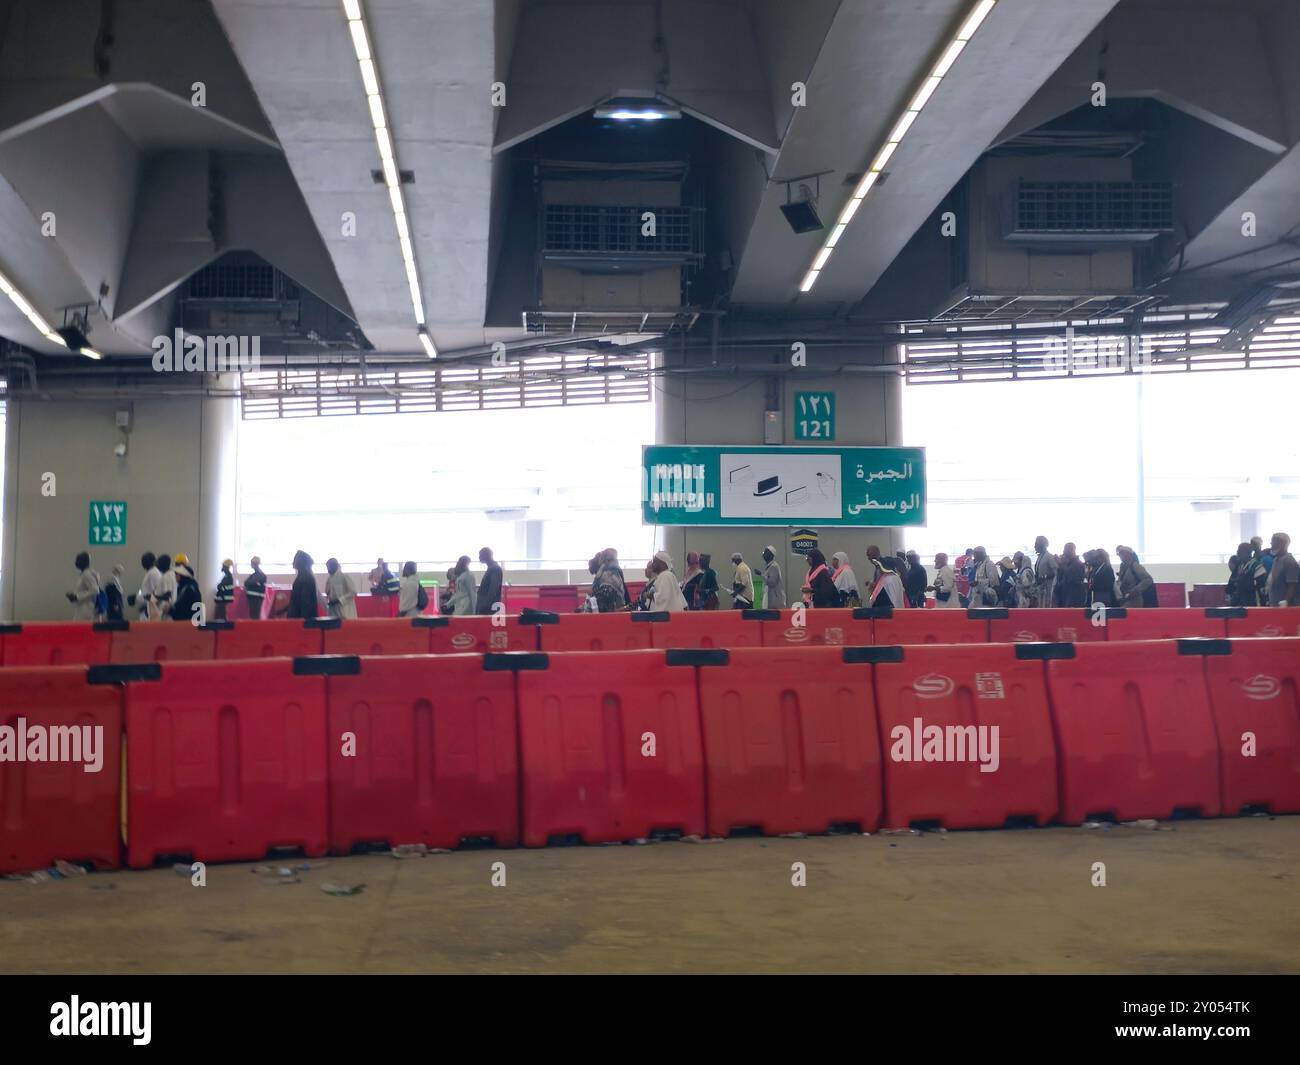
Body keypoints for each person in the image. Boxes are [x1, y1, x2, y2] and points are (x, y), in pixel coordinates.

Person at [1265, 532, 1299, 607]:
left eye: (1274, 542)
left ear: (1283, 544)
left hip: (1286, 608)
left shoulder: (1289, 561)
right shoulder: (1276, 560)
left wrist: (1285, 601)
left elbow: (1292, 585)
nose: (1271, 545)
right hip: (1275, 605)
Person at [67, 552, 102, 620]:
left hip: (86, 609)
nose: (76, 562)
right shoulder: (85, 574)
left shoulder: (87, 574)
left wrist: (77, 597)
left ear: (84, 561)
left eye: (78, 560)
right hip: (84, 607)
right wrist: (73, 595)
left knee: (81, 629)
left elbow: (95, 590)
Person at [285, 550, 320, 619]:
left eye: (295, 559)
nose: (293, 562)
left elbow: (305, 602)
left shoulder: (305, 577)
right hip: (299, 617)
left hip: (300, 619)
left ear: (301, 562)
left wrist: (303, 620)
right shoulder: (303, 576)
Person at [1228, 542, 1265, 607]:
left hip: (1253, 602)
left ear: (1247, 552)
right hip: (1241, 602)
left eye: (1239, 551)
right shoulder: (1241, 565)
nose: (1237, 553)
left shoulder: (1256, 565)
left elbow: (1261, 586)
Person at [592, 549, 628, 613]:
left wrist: (592, 595)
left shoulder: (609, 573)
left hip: (610, 614)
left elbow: (605, 596)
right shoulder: (615, 572)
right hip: (616, 612)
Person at [171, 553, 202, 622]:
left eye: (177, 574)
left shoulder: (188, 589)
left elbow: (181, 609)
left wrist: (170, 610)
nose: (175, 576)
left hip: (187, 625)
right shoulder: (191, 586)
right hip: (192, 624)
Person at [1056, 543, 1087, 608]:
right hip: (1066, 597)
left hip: (1073, 599)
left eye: (1065, 549)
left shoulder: (1078, 564)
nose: (1063, 552)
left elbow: (1074, 581)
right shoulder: (1069, 564)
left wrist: (1063, 567)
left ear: (1072, 550)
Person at [475, 547, 503, 615]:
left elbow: (493, 589)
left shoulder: (495, 569)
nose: (479, 557)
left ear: (486, 555)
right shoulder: (491, 568)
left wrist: (486, 605)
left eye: (481, 555)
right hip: (486, 605)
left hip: (488, 607)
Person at [134, 551, 162, 620]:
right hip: (146, 609)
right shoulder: (150, 573)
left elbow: (157, 594)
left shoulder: (153, 574)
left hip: (150, 610)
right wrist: (137, 596)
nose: (143, 563)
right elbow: (145, 591)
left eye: (145, 560)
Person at [1032, 535, 1057, 609]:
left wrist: (1044, 577)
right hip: (1040, 589)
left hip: (1048, 589)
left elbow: (1056, 572)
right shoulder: (1040, 557)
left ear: (1042, 545)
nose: (1034, 546)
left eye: (1036, 544)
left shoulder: (1049, 557)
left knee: (1047, 607)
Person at [244, 555, 267, 620]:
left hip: (256, 599)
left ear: (254, 564)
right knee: (253, 615)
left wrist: (250, 583)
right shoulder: (254, 574)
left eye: (252, 563)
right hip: (253, 598)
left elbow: (250, 583)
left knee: (255, 616)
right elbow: (246, 583)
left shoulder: (260, 575)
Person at [155, 554, 177, 619]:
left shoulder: (167, 576)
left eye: (158, 563)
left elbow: (167, 595)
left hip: (166, 612)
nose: (157, 565)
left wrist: (153, 598)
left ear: (163, 564)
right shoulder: (173, 574)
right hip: (169, 610)